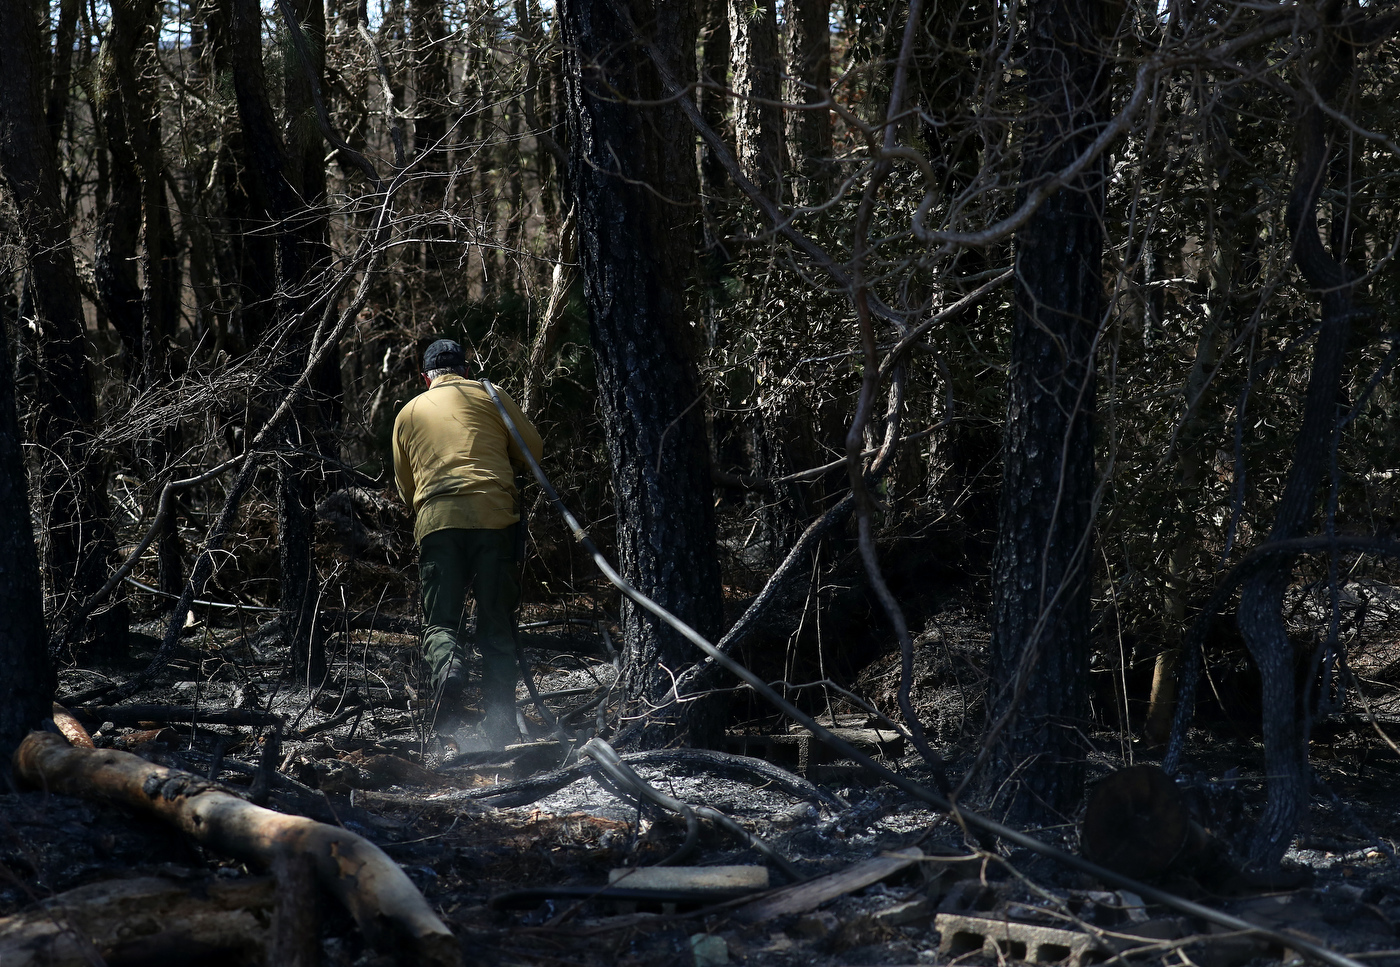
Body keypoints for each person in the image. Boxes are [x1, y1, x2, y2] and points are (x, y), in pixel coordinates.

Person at [392, 339, 543, 748]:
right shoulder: (489, 395)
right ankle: (500, 729)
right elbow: (533, 449)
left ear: (425, 378)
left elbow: (405, 489)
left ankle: (450, 669)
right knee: (496, 622)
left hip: (438, 522)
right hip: (495, 518)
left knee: (440, 621)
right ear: (465, 370)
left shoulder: (408, 413)